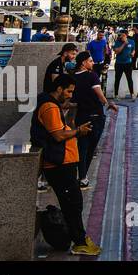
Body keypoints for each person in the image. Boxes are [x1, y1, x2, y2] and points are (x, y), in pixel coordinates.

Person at [30, 73, 100, 256]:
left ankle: (80, 238)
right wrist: (78, 131)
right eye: (68, 91)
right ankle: (79, 242)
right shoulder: (49, 107)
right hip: (59, 165)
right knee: (72, 205)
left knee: (74, 203)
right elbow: (58, 135)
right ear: (59, 89)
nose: (70, 95)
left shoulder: (52, 105)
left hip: (64, 163)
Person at [72, 50, 117, 187]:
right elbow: (99, 93)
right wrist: (108, 103)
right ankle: (83, 176)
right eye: (90, 61)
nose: (92, 63)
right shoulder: (92, 76)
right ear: (83, 63)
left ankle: (81, 175)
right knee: (91, 148)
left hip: (81, 115)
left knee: (82, 147)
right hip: (95, 116)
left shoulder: (72, 77)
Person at [111, 30, 136, 98]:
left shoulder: (132, 41)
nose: (121, 36)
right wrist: (124, 44)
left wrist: (133, 53)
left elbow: (133, 49)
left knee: (129, 79)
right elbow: (117, 51)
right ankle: (116, 94)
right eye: (120, 35)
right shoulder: (117, 42)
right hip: (119, 63)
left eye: (123, 35)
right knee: (117, 79)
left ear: (126, 35)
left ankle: (132, 94)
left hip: (128, 63)